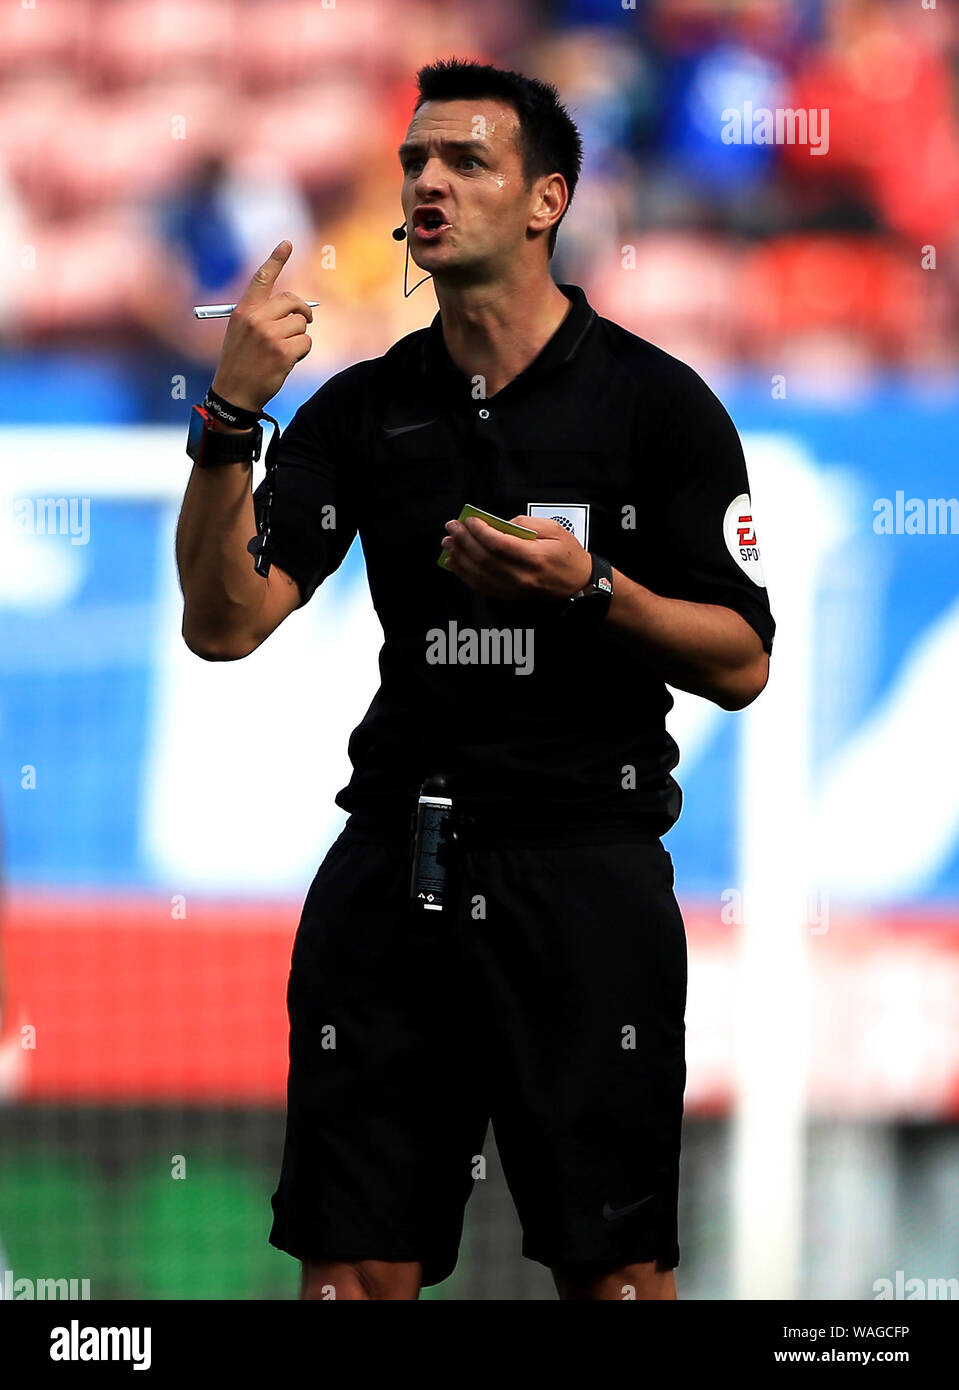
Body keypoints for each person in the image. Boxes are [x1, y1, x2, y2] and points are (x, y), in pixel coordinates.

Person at [175, 59, 775, 1301]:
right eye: (412, 163)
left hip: (582, 873)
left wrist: (589, 590)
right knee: (350, 1273)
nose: (426, 183)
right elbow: (224, 625)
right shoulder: (362, 413)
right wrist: (229, 418)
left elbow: (743, 660)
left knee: (613, 1275)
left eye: (463, 161)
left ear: (546, 199)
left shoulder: (656, 409)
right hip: (397, 868)